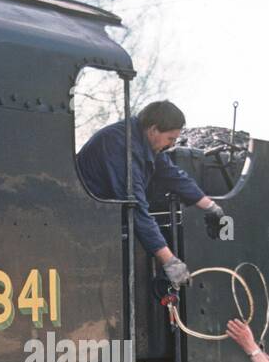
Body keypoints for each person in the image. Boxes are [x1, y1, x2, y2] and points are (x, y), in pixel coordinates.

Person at [76, 100, 226, 288]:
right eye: (170, 139)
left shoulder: (143, 140)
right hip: (86, 223)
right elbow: (135, 207)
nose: (170, 145)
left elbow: (174, 175)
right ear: (154, 129)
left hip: (102, 220)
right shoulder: (121, 145)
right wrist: (170, 261)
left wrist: (211, 207)